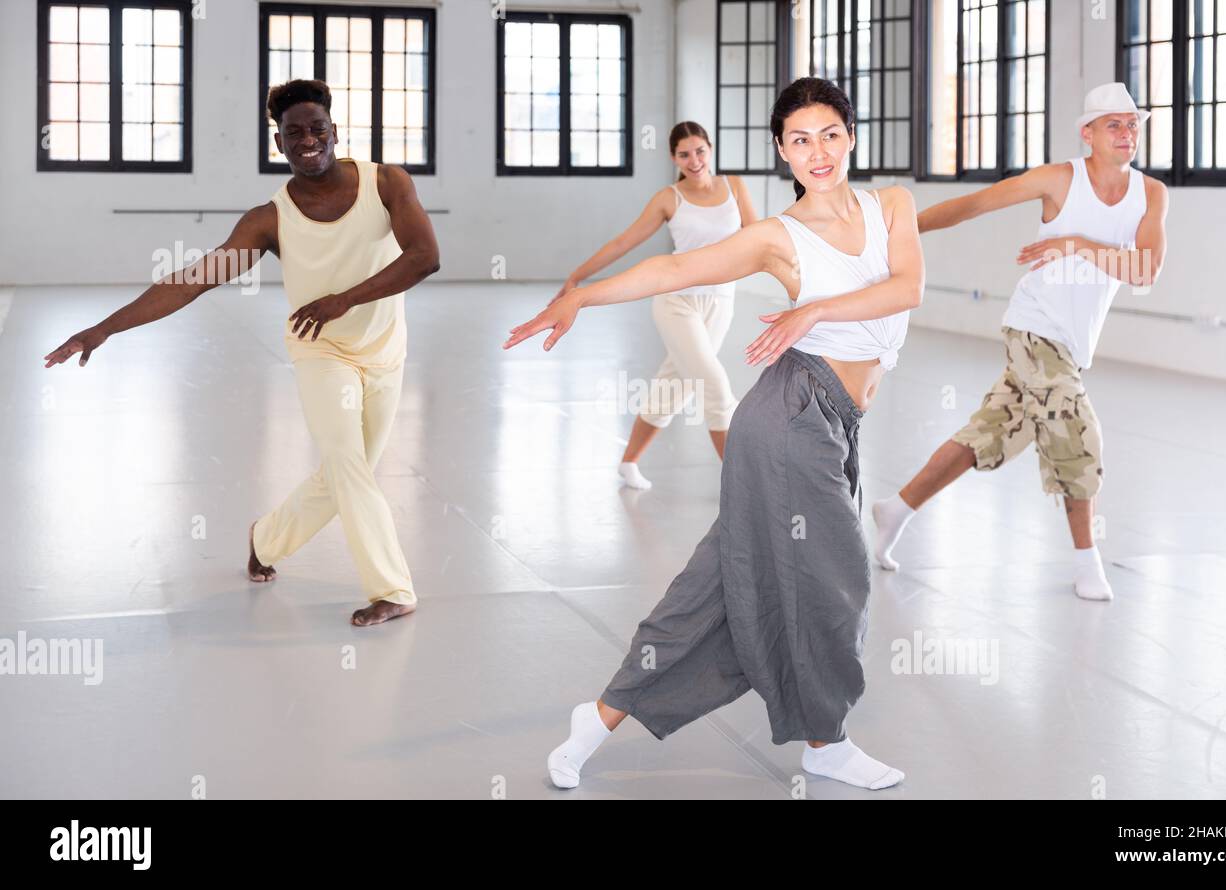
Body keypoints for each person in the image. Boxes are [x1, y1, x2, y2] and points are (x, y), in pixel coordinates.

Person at [505, 77, 921, 791]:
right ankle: (826, 739)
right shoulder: (776, 237)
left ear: (850, 136)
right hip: (790, 419)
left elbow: (906, 287)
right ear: (781, 153)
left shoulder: (894, 208)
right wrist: (581, 294)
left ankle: (599, 717)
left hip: (834, 422)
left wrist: (813, 313)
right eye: (798, 140)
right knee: (838, 580)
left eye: (828, 134)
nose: (816, 151)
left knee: (723, 590)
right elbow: (671, 266)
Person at [43, 79, 441, 627]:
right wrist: (103, 329)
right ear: (279, 145)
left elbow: (425, 257)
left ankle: (265, 540)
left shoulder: (387, 182)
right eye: (294, 132)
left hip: (385, 350)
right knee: (349, 465)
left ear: (335, 133)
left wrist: (343, 299)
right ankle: (393, 589)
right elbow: (192, 280)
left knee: (348, 473)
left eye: (317, 129)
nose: (308, 139)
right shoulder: (268, 219)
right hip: (319, 351)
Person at [871, 82, 1169, 602]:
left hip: (1072, 344)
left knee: (985, 436)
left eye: (1133, 124)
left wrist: (1075, 243)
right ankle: (1085, 560)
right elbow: (977, 203)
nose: (1127, 133)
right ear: (1088, 133)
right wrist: (896, 235)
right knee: (1079, 432)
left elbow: (1145, 270)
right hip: (1033, 328)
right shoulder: (1061, 179)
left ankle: (895, 508)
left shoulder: (1151, 194)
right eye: (1114, 124)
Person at [555, 121, 758, 489]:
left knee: (674, 384)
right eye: (684, 154)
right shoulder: (669, 198)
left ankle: (628, 461)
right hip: (677, 303)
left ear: (710, 149)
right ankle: (742, 487)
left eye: (699, 151)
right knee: (713, 383)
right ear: (673, 157)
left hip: (720, 302)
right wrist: (577, 276)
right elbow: (623, 242)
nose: (694, 160)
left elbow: (759, 237)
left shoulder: (735, 186)